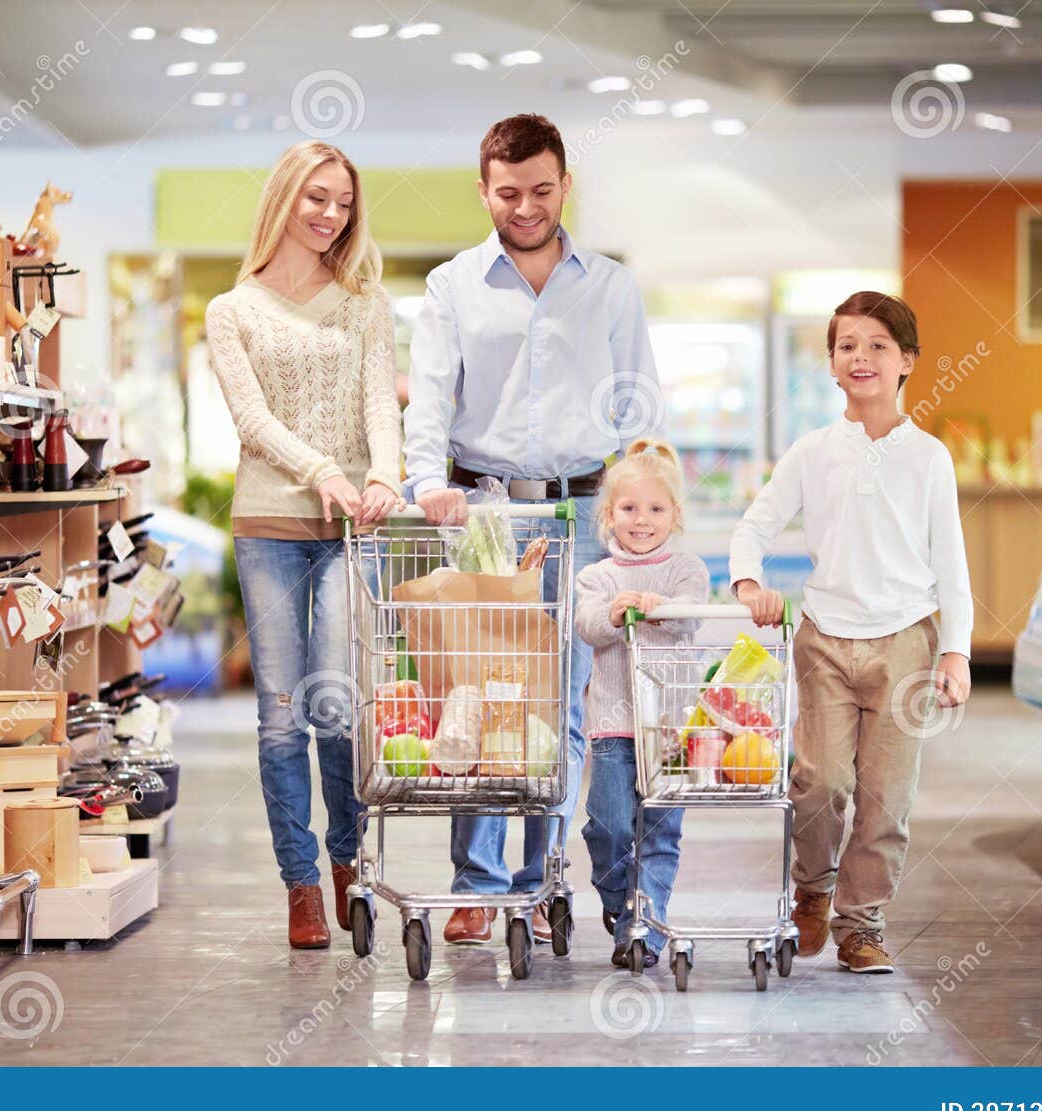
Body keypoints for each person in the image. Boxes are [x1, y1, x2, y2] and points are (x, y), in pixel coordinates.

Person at [402, 113, 661, 947]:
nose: (524, 207)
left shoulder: (612, 286)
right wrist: (427, 483)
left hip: (587, 512)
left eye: (540, 190)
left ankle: (540, 877)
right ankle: (475, 883)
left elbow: (637, 404)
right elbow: (431, 394)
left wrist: (639, 509)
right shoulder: (452, 286)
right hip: (484, 511)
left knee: (564, 704)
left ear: (564, 185)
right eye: (507, 193)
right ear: (483, 189)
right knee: (475, 695)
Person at [730, 291, 972, 974]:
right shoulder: (811, 452)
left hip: (907, 641)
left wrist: (956, 648)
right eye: (847, 346)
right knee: (820, 779)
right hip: (825, 638)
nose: (860, 357)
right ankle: (812, 886)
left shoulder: (929, 458)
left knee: (887, 795)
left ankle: (861, 923)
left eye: (877, 346)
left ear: (908, 362)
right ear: (832, 365)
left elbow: (951, 562)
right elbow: (755, 525)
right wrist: (749, 582)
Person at [205, 140, 404, 950]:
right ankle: (300, 886)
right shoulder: (233, 310)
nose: (330, 214)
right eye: (316, 197)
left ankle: (349, 862)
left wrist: (384, 475)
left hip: (352, 527)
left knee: (337, 708)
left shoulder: (365, 303)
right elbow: (251, 420)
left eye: (343, 202)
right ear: (285, 197)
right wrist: (321, 468)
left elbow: (379, 405)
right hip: (270, 526)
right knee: (281, 715)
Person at [573, 439, 710, 970]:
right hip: (613, 725)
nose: (641, 520)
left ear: (674, 516)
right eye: (629, 509)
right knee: (607, 824)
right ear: (609, 515)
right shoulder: (599, 577)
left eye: (655, 509)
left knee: (660, 831)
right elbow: (587, 625)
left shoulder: (685, 570)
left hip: (670, 728)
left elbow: (692, 614)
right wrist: (614, 612)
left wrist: (661, 608)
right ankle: (619, 902)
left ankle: (645, 930)